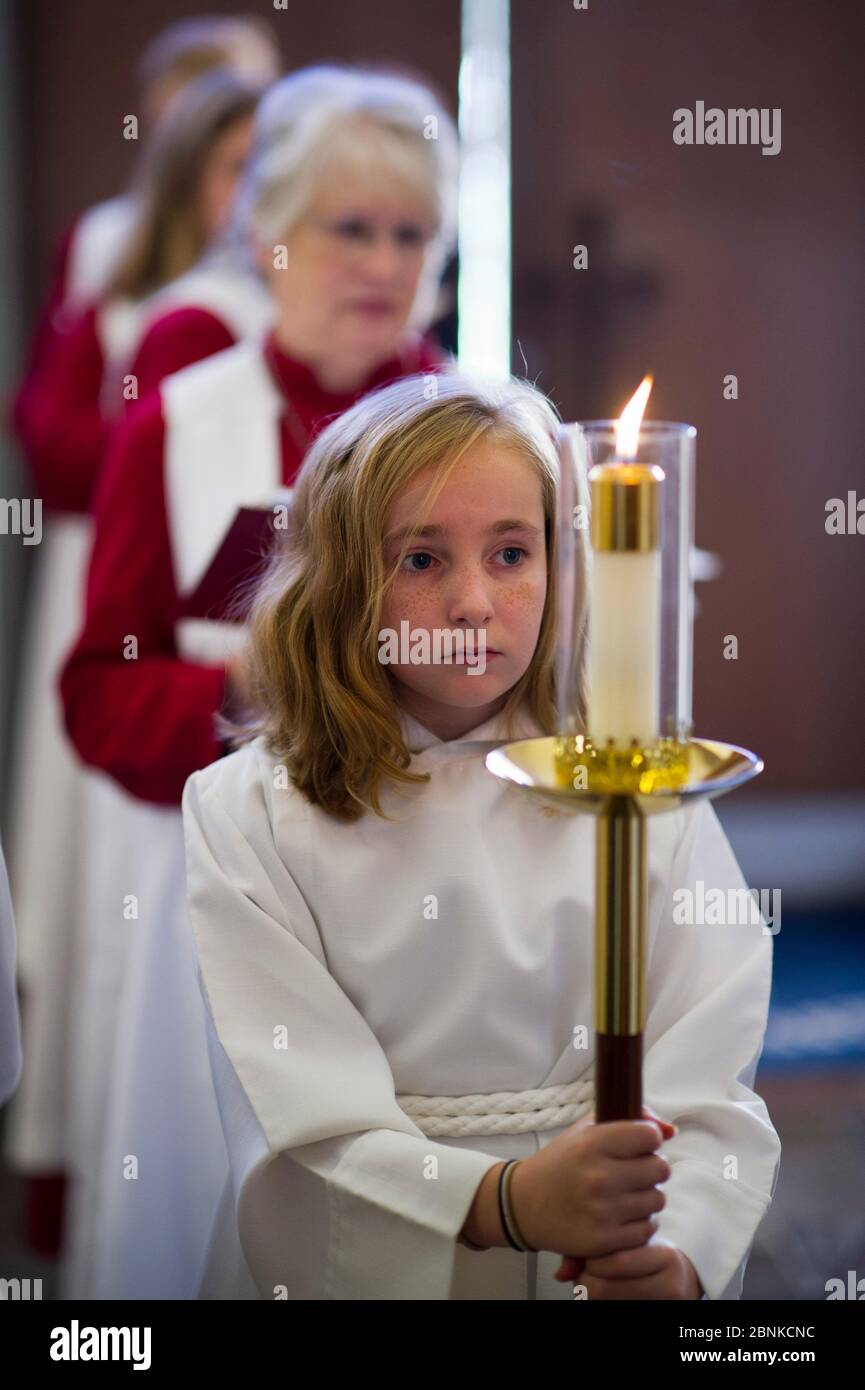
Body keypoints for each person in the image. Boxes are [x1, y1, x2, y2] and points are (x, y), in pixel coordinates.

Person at [182, 372, 781, 1301]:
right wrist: (502, 1202)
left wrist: (680, 1249)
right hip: (392, 1235)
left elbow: (709, 1062)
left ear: (563, 564)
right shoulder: (247, 813)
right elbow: (296, 1110)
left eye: (511, 552)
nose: (471, 602)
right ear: (343, 582)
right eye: (420, 561)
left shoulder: (633, 785)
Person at [58, 64, 460, 1300]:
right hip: (212, 904)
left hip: (416, 893)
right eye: (348, 227)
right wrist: (258, 694)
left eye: (409, 233)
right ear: (267, 235)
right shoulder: (177, 422)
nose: (380, 262)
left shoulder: (457, 425)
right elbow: (98, 694)